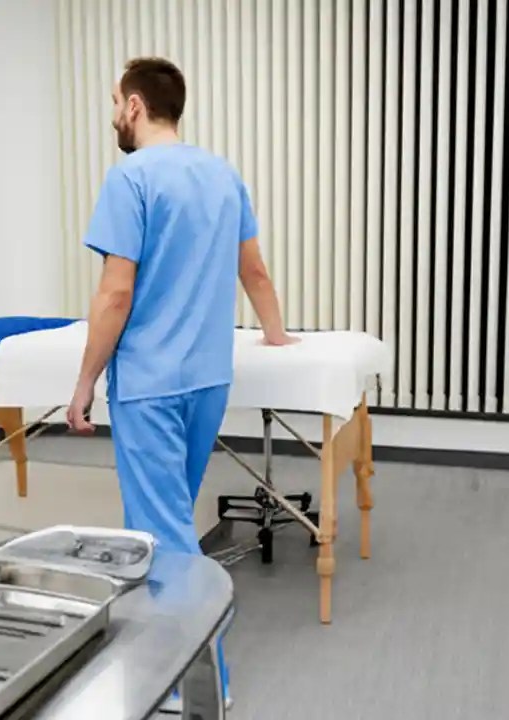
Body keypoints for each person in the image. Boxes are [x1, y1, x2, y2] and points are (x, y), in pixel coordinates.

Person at [66, 56, 296, 712]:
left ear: (135, 106)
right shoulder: (222, 174)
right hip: (207, 382)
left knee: (164, 540)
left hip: (150, 386)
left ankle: (195, 686)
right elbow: (255, 272)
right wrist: (277, 335)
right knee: (166, 526)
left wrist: (84, 382)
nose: (114, 115)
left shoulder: (131, 177)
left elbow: (115, 294)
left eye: (116, 103)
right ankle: (166, 663)